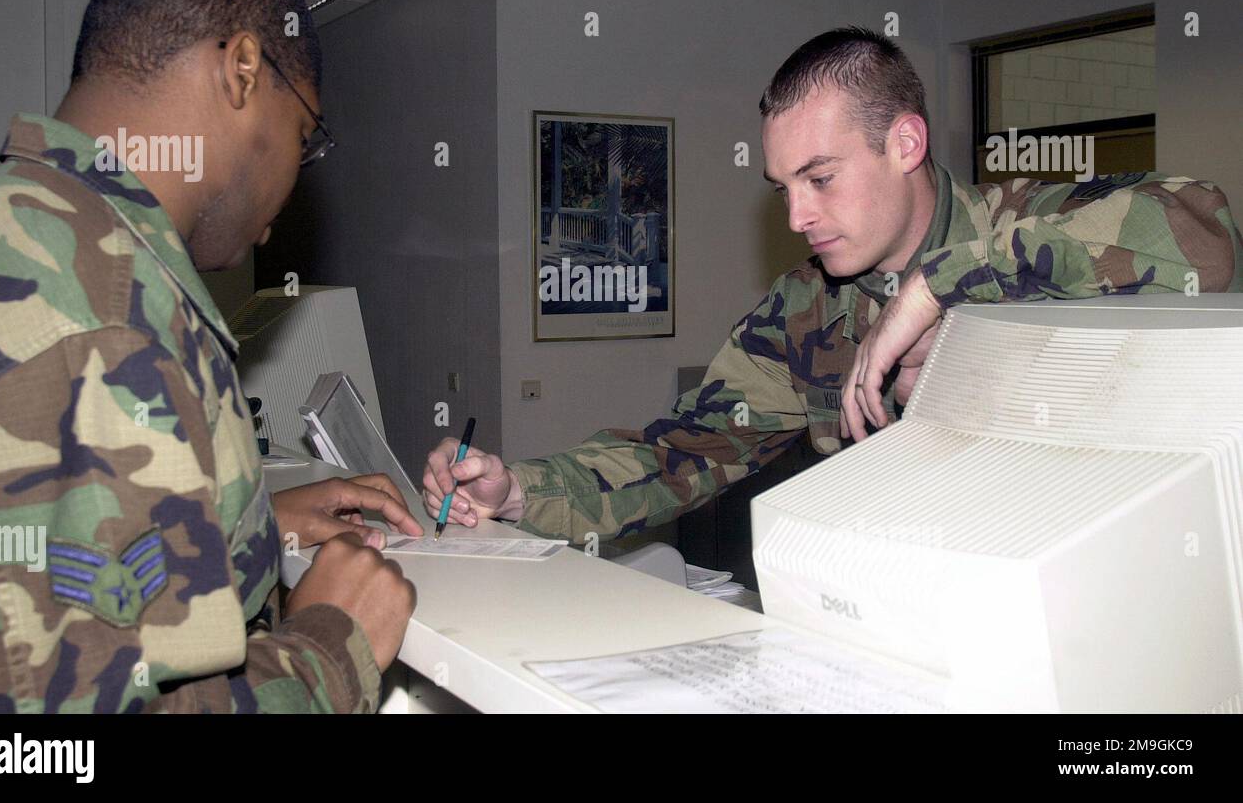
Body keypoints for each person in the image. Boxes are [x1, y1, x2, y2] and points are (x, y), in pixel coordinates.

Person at [422, 26, 1243, 542]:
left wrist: (937, 290)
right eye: (784, 188)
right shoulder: (806, 309)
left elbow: (1204, 234)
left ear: (906, 142)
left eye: (820, 178)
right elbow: (682, 455)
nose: (797, 216)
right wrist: (520, 489)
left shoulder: (1023, 222)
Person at [0, 0, 421, 714]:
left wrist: (242, 524)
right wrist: (333, 647)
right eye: (303, 133)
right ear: (241, 70)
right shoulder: (101, 320)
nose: (290, 186)